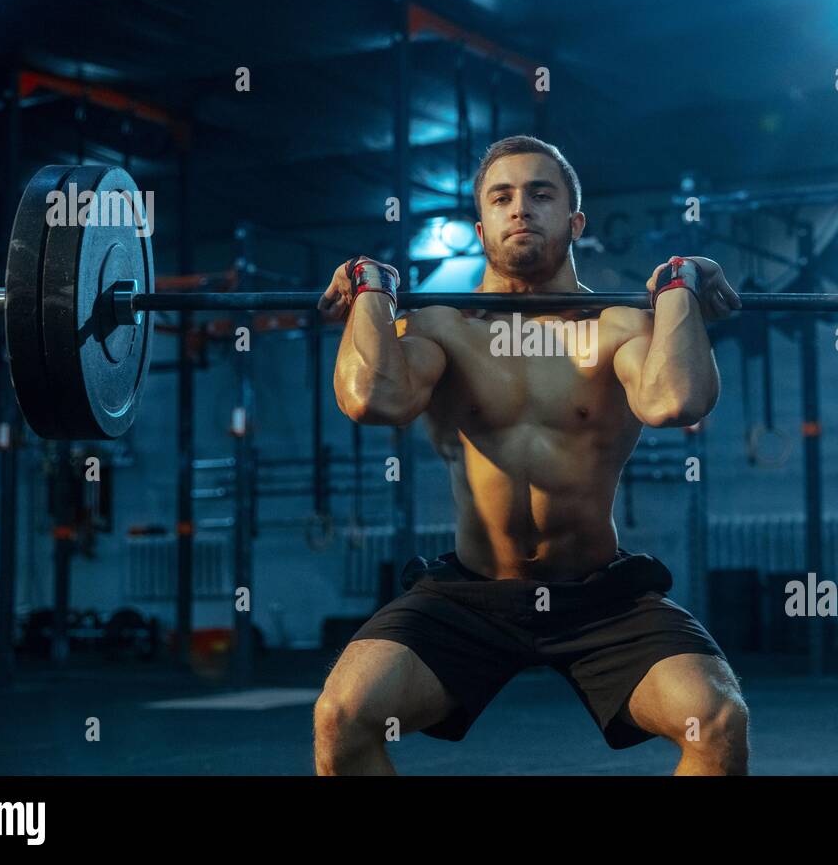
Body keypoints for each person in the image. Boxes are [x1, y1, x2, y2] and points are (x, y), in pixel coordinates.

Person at [315, 135, 748, 775]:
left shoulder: (619, 326)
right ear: (481, 222)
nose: (521, 209)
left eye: (541, 194)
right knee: (343, 716)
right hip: (471, 596)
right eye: (502, 197)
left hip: (601, 596)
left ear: (574, 221)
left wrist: (678, 285)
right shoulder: (440, 328)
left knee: (716, 719)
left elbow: (676, 402)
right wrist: (371, 286)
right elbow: (371, 401)